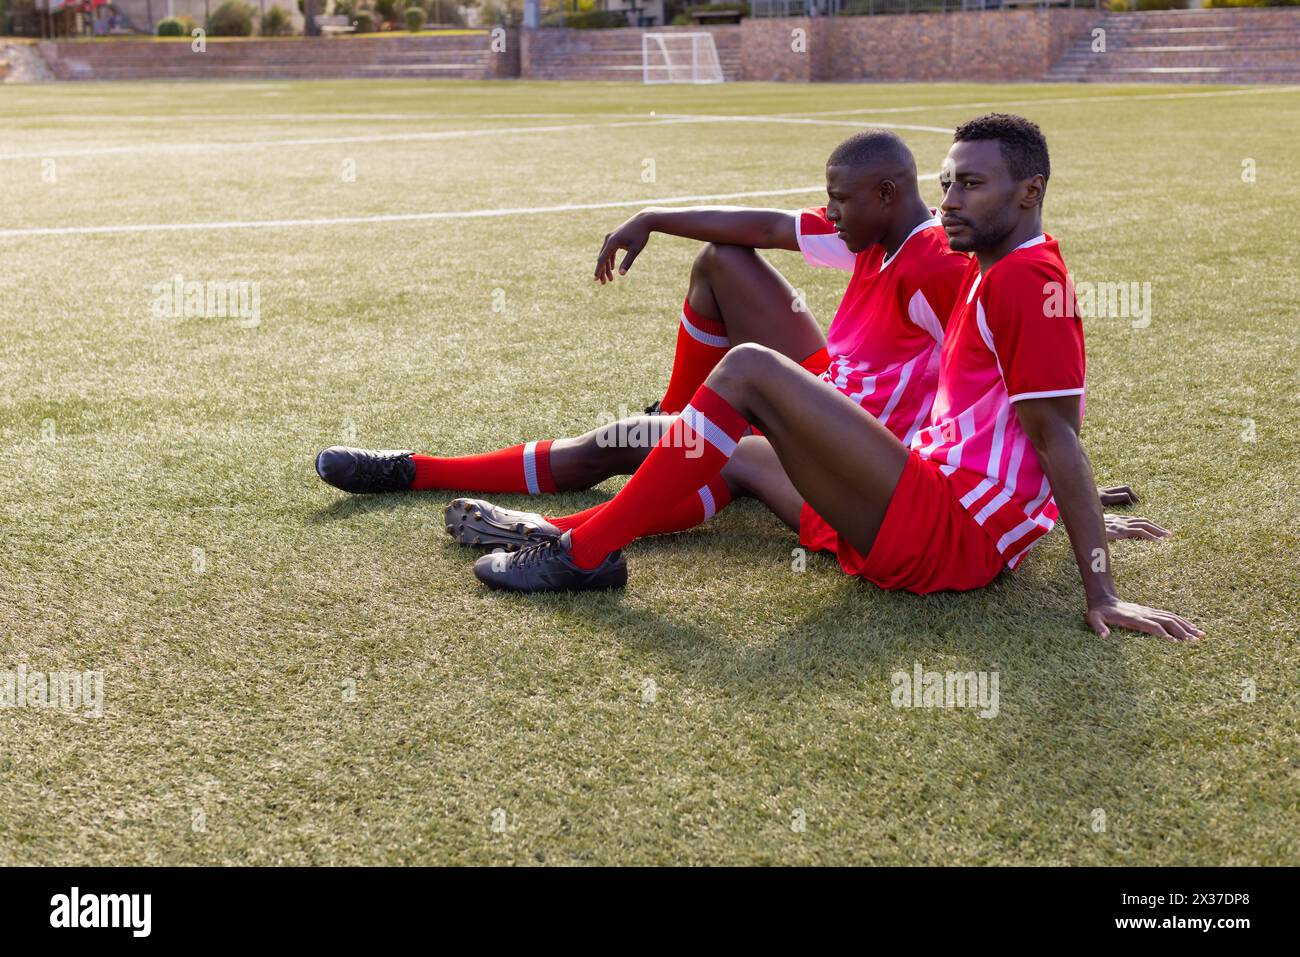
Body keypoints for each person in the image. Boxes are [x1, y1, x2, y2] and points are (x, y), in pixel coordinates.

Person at [467, 114, 1203, 643]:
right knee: (719, 444)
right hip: (926, 493)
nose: (948, 201)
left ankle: (584, 557)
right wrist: (1049, 508)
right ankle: (561, 530)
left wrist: (1101, 586)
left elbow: (1056, 437)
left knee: (750, 370)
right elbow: (1011, 431)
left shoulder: (1023, 282)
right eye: (947, 184)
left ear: (1028, 192)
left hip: (948, 530)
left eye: (971, 185)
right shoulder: (994, 266)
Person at [315, 130, 1157, 546]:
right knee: (724, 262)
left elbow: (1021, 392)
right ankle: (677, 427)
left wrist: (1049, 499)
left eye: (840, 200)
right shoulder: (875, 233)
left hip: (864, 447)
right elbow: (761, 224)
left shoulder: (947, 264)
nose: (825, 215)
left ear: (888, 195)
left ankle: (444, 481)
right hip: (832, 394)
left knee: (627, 442)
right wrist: (652, 215)